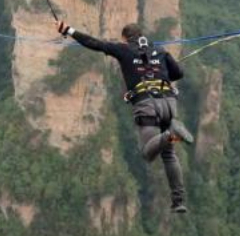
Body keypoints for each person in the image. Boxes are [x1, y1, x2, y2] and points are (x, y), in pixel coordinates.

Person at [57, 20, 193, 214]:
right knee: (169, 154)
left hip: (147, 106)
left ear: (125, 38)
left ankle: (171, 133)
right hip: (169, 105)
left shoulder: (123, 50)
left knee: (148, 153)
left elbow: (94, 43)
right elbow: (178, 73)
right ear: (141, 35)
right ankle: (178, 201)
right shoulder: (160, 50)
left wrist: (68, 29)